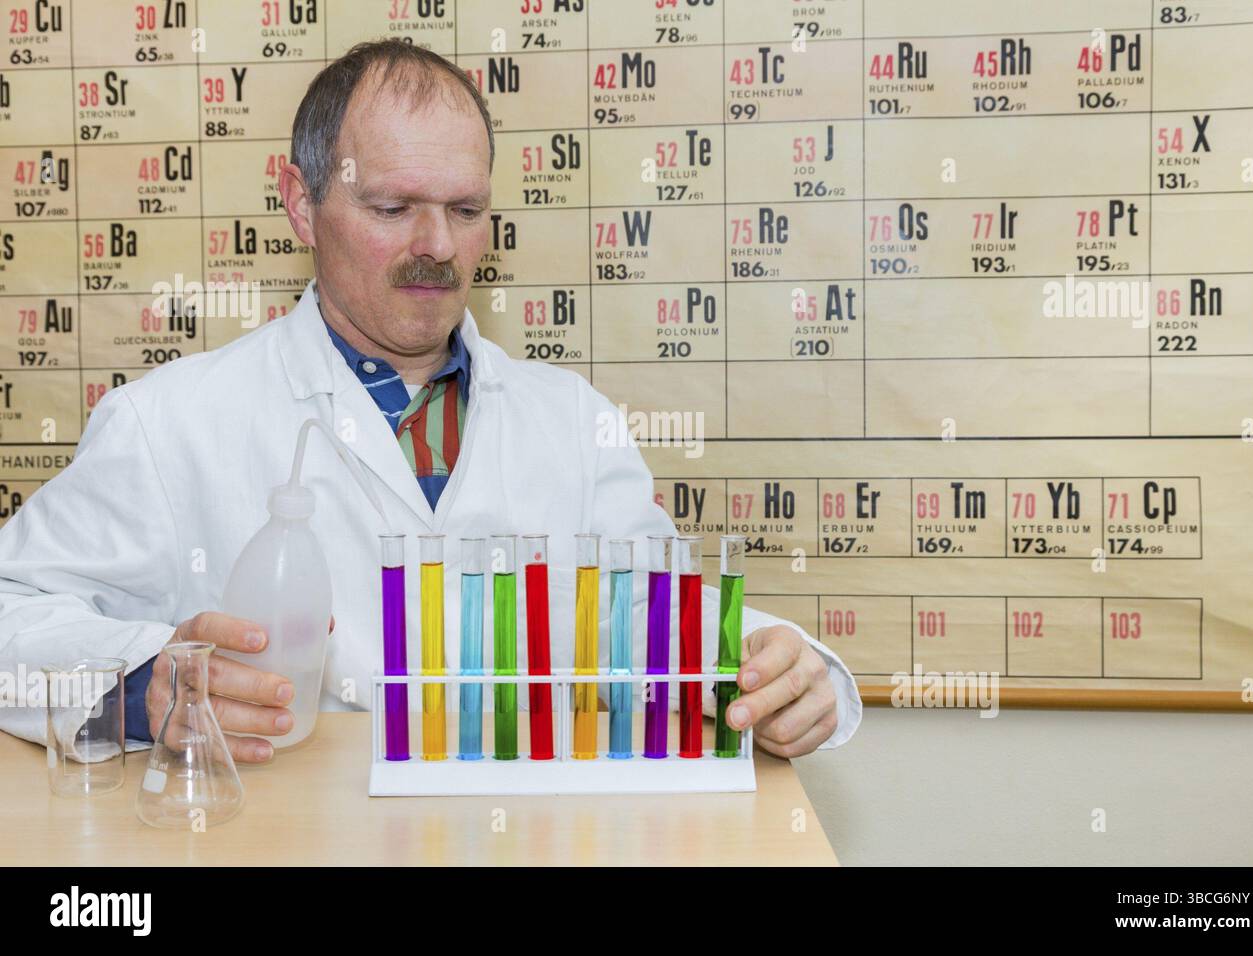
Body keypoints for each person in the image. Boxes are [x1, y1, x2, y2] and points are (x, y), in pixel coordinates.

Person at [0, 40, 861, 763]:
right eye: (392, 207)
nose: (437, 247)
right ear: (303, 204)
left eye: (466, 208)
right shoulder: (170, 425)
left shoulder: (570, 422)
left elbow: (666, 619)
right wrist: (147, 682)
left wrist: (778, 668)